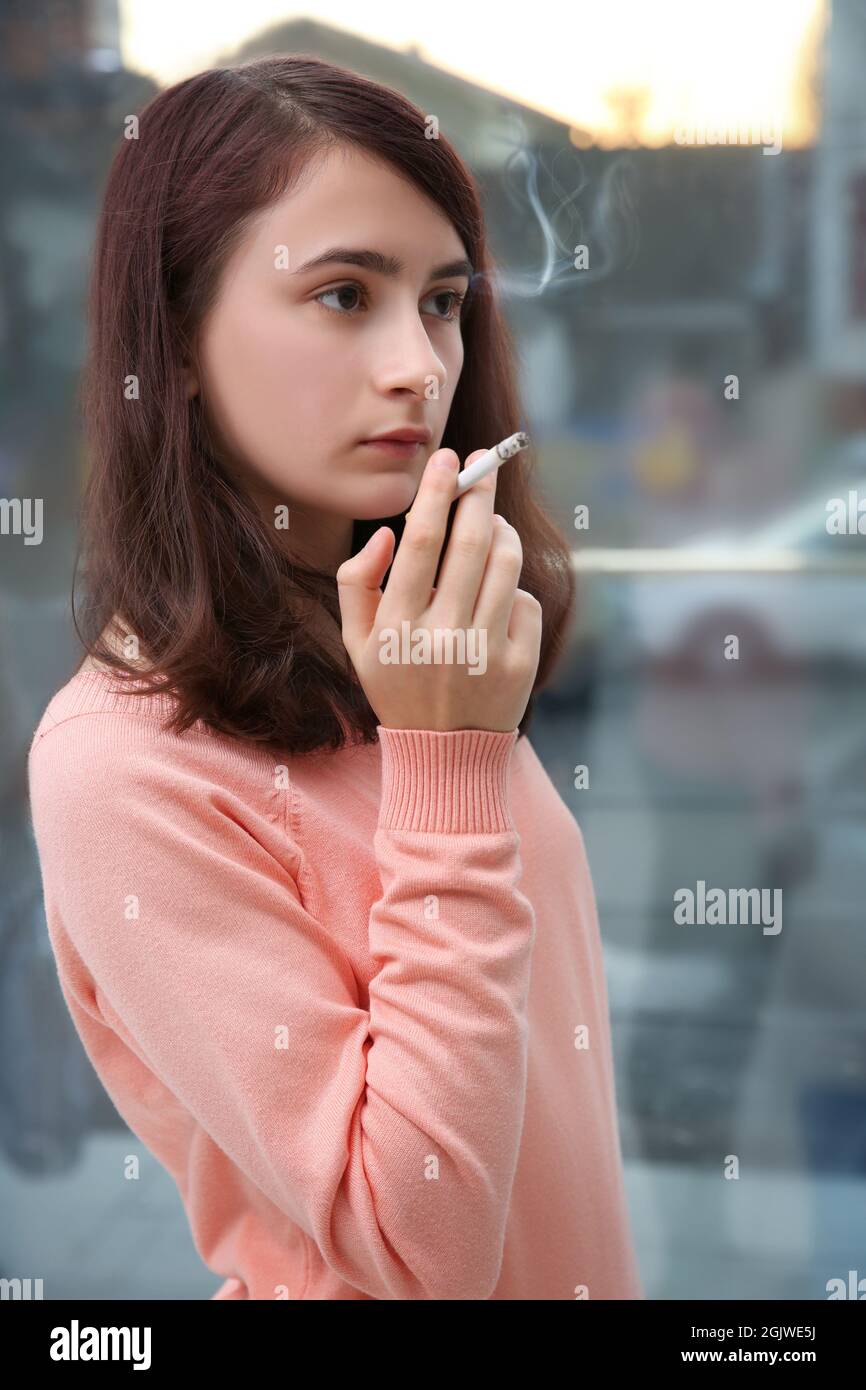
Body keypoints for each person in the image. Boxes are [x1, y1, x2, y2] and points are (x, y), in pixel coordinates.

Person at [27, 55, 642, 1300]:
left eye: (443, 302)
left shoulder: (407, 648)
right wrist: (449, 768)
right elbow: (420, 1253)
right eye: (344, 294)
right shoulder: (119, 765)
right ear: (179, 339)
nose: (419, 366)